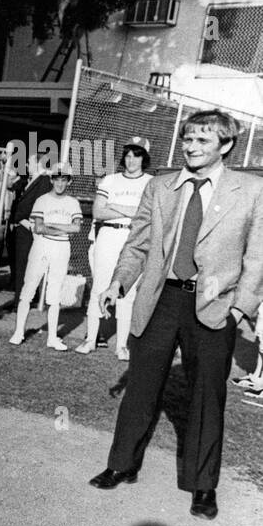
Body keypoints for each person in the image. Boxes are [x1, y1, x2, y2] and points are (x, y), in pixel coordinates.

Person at [89, 110, 263, 520]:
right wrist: (118, 283)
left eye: (202, 141)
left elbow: (257, 257)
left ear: (225, 145)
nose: (191, 147)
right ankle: (121, 465)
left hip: (215, 306)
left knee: (207, 395)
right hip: (161, 299)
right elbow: (138, 243)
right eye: (187, 138)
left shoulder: (251, 190)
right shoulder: (161, 186)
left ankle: (203, 487)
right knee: (142, 387)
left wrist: (242, 307)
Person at [75, 138, 154, 360]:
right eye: (128, 155)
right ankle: (90, 339)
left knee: (127, 291)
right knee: (100, 286)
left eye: (136, 155)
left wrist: (116, 206)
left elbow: (149, 215)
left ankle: (121, 345)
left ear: (144, 158)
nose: (131, 160)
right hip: (109, 234)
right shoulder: (110, 180)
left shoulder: (151, 182)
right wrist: (132, 210)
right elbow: (99, 212)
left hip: (135, 237)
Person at [8, 164, 82, 350]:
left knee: (55, 292)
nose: (59, 183)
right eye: (56, 179)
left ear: (69, 181)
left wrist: (54, 226)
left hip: (61, 247)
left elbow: (77, 228)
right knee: (29, 287)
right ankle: (19, 332)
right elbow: (39, 227)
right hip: (41, 245)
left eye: (63, 179)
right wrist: (63, 228)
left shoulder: (73, 202)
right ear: (51, 180)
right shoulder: (42, 200)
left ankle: (53, 338)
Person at [6, 153, 51, 301]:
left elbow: (37, 204)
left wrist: (24, 219)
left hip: (28, 227)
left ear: (38, 164)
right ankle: (21, 296)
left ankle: (22, 299)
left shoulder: (44, 181)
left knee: (24, 263)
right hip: (23, 226)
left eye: (29, 163)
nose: (27, 166)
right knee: (21, 263)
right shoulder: (31, 180)